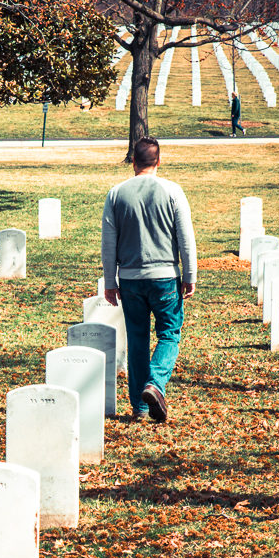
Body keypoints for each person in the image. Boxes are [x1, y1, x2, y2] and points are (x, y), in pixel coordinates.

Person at [101, 136, 196, 423]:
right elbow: (185, 237)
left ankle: (140, 409)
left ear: (133, 161)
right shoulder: (172, 191)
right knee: (169, 334)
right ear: (159, 161)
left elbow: (108, 243)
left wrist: (109, 281)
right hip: (166, 276)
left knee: (138, 341)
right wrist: (190, 275)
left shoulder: (116, 193)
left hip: (130, 278)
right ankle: (155, 383)